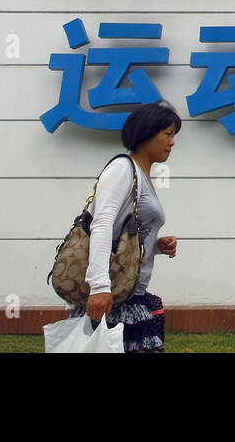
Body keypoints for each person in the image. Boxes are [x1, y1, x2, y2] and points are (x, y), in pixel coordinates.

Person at [70, 101, 180, 352]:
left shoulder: (142, 177)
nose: (172, 142)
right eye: (168, 134)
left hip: (130, 295)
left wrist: (157, 246)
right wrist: (99, 287)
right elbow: (102, 223)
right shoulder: (122, 169)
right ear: (146, 133)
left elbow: (126, 235)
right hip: (113, 299)